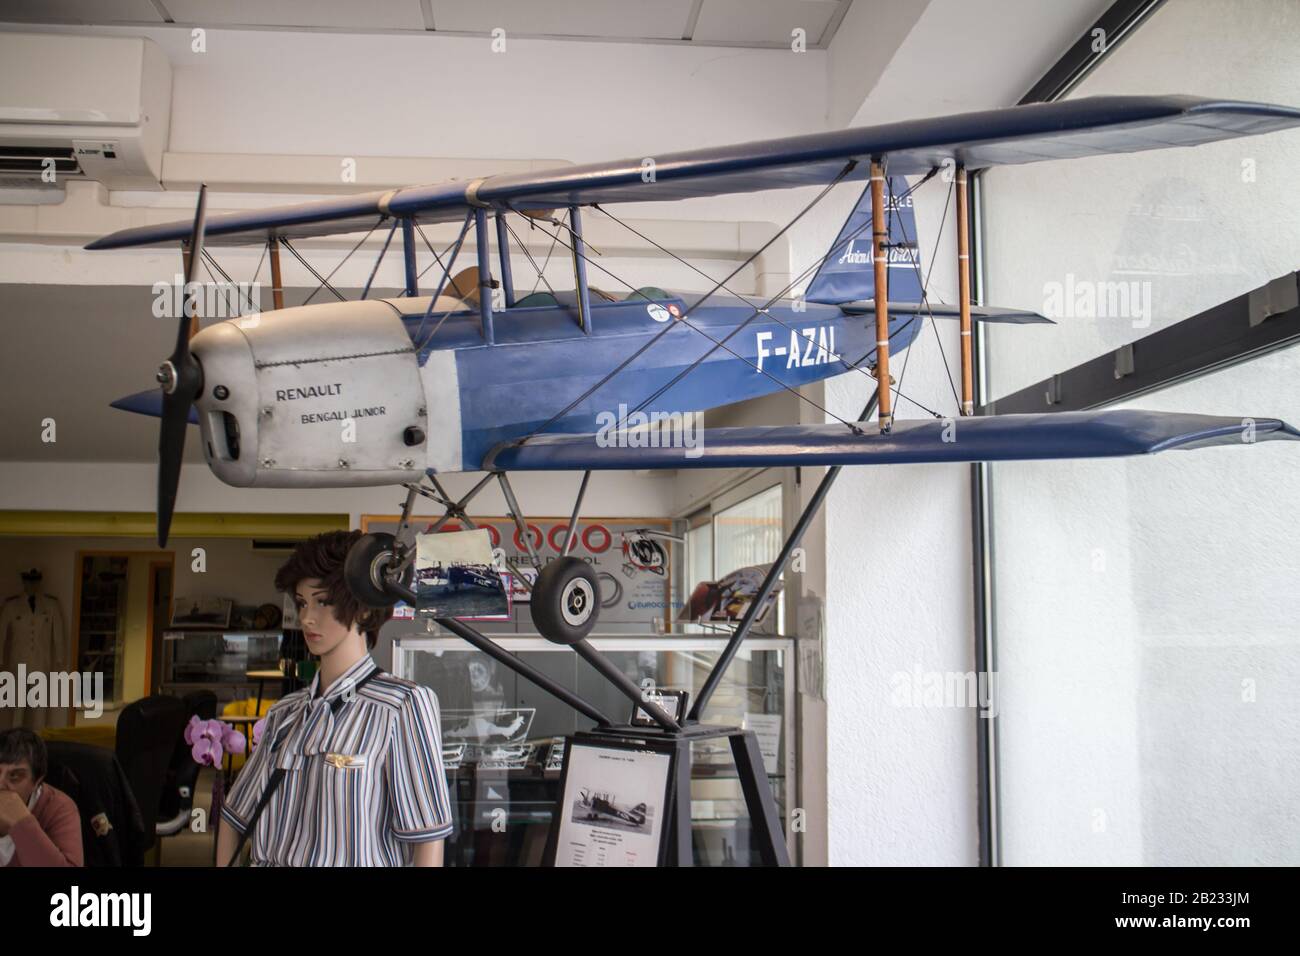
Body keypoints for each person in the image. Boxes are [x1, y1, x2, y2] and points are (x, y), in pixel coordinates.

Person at [216, 530, 454, 866]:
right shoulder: (286, 714)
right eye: (301, 602)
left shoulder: (402, 706)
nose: (306, 617)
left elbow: (427, 839)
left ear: (363, 610)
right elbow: (234, 814)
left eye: (323, 601)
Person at [0, 728, 83, 867]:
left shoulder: (59, 807)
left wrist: (21, 823)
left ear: (37, 782)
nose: (1, 784)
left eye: (15, 776)